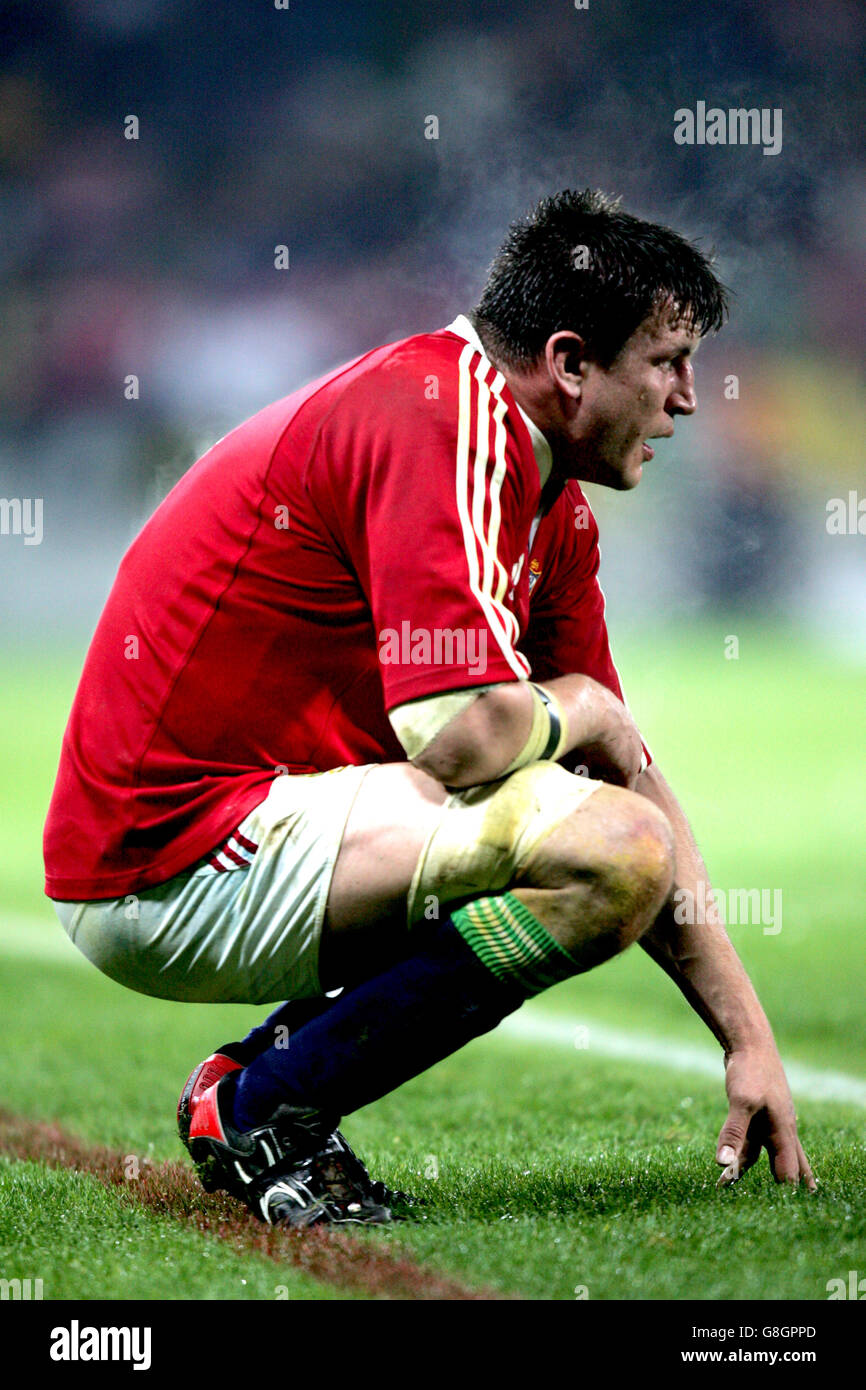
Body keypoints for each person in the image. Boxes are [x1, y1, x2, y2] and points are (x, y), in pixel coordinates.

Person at [43, 189, 815, 1228]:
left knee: (606, 826)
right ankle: (262, 1106)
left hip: (263, 822)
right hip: (172, 853)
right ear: (569, 361)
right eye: (666, 361)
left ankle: (259, 1081)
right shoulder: (443, 422)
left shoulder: (538, 493)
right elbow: (458, 736)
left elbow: (616, 759)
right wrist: (577, 703)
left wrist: (746, 1038)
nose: (687, 396)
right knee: (603, 850)